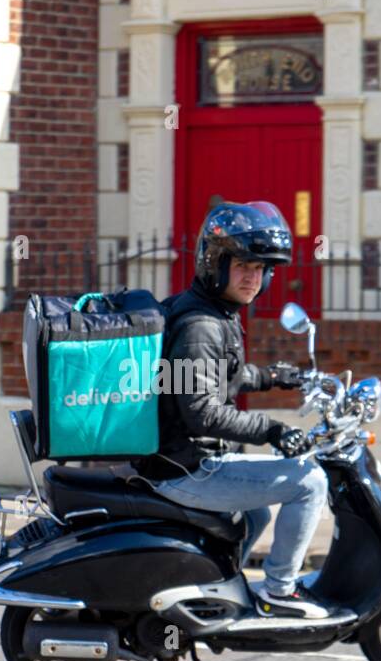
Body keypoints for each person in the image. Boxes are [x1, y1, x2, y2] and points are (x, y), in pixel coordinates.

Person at [132, 200, 330, 619]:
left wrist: (275, 376)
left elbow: (223, 376)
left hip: (187, 460)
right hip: (184, 469)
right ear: (214, 262)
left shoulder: (214, 313)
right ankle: (280, 590)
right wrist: (273, 430)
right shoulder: (200, 327)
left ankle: (214, 593)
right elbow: (201, 412)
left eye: (260, 269)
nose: (251, 277)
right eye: (241, 265)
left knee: (254, 511)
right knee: (309, 481)